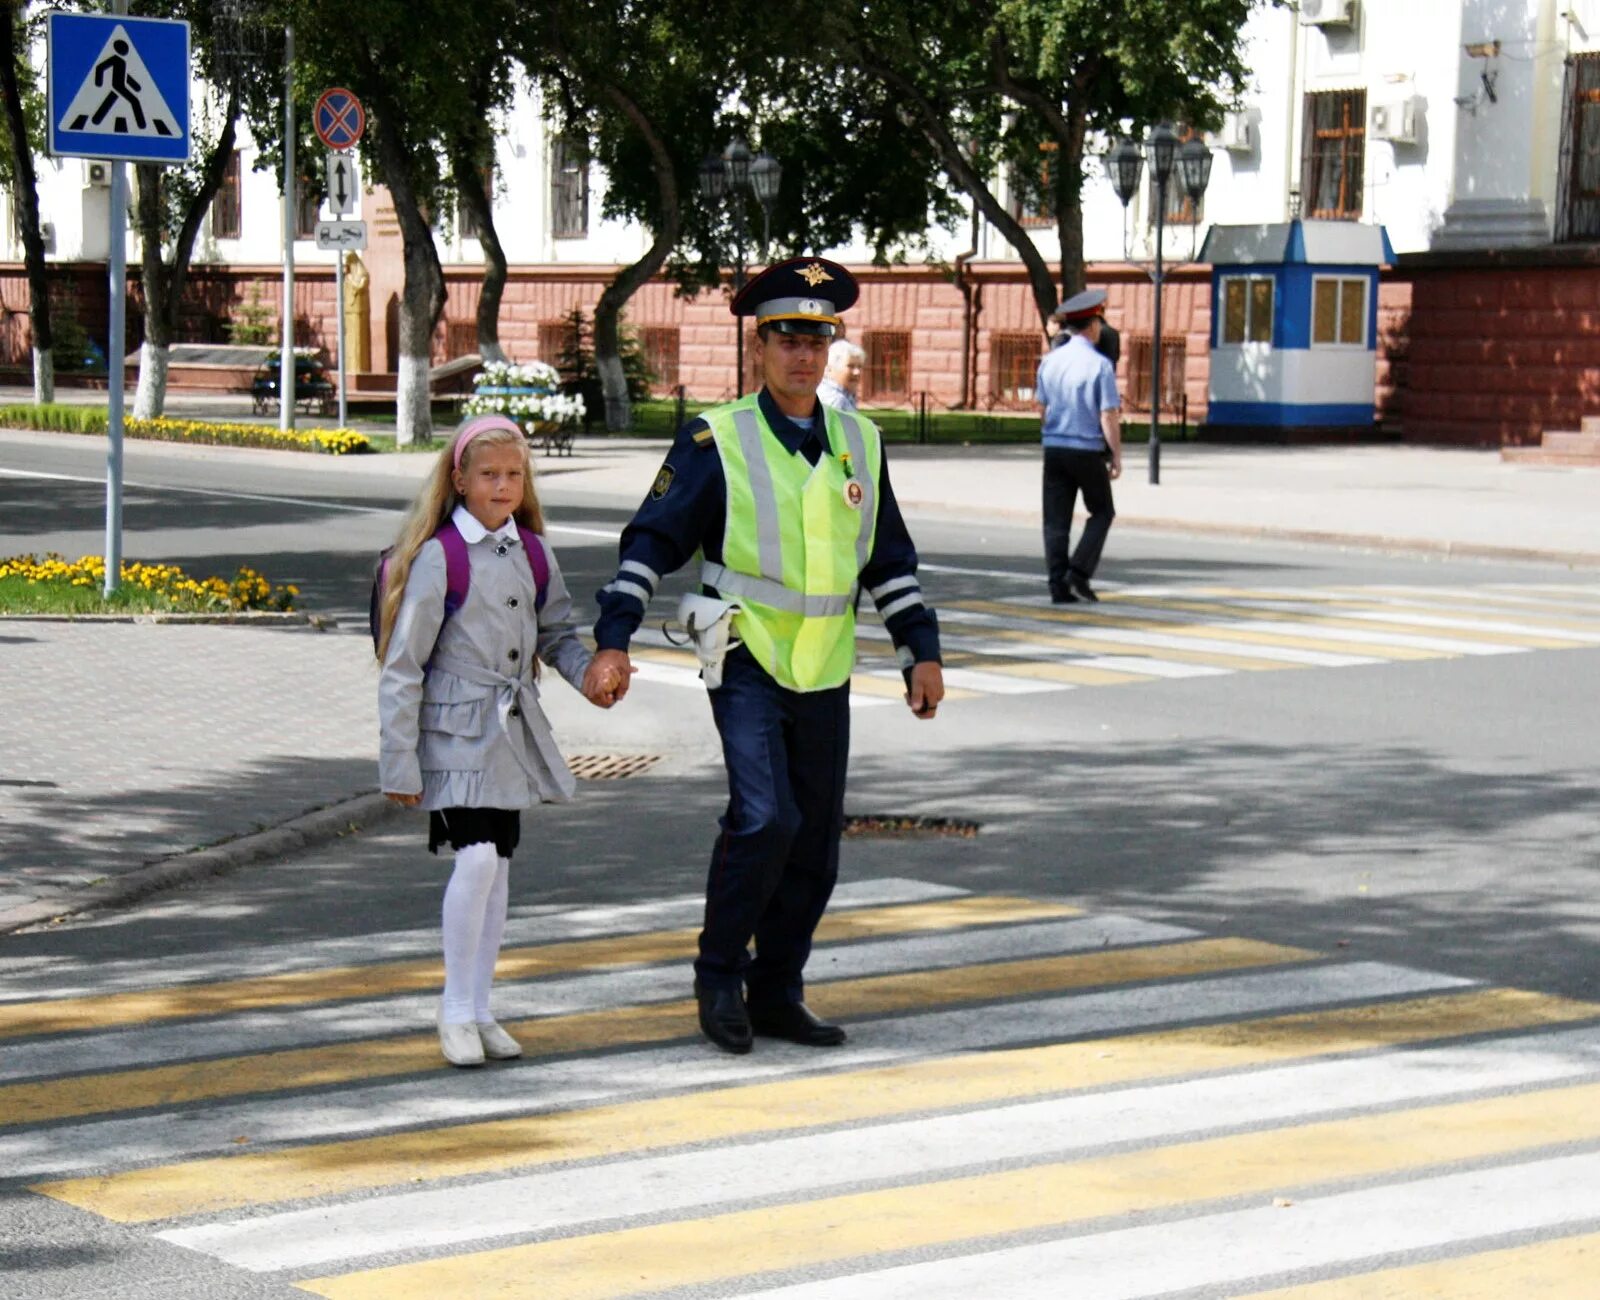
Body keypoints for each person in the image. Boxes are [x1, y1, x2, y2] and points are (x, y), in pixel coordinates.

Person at [590, 257, 944, 1055]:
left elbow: (887, 559)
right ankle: (720, 975)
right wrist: (614, 637)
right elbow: (650, 543)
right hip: (745, 653)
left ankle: (778, 990)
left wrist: (919, 650)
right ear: (760, 347)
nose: (803, 356)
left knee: (815, 842)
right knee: (765, 819)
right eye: (788, 340)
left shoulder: (860, 440)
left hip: (825, 663)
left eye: (817, 341)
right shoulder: (716, 438)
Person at [376, 414, 628, 1067]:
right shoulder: (442, 556)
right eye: (488, 474)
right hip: (453, 732)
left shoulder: (533, 552)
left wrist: (590, 676)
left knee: (499, 870)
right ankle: (455, 1008)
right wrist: (398, 761)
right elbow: (403, 665)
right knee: (479, 859)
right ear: (459, 480)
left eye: (514, 474)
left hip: (509, 731)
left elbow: (558, 634)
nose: (503, 486)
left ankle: (481, 1008)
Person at [1037, 288, 1122, 604]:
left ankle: (1057, 585)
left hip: (1055, 448)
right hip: (1086, 450)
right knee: (1102, 511)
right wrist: (1116, 455)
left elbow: (1042, 409)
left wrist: (1052, 433)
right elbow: (1108, 415)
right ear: (1094, 325)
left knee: (1055, 520)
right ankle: (1078, 573)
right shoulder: (1100, 365)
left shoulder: (1049, 362)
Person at [817, 338, 864, 412]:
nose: (857, 372)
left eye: (860, 366)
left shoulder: (845, 395)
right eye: (850, 366)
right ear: (830, 368)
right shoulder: (835, 400)